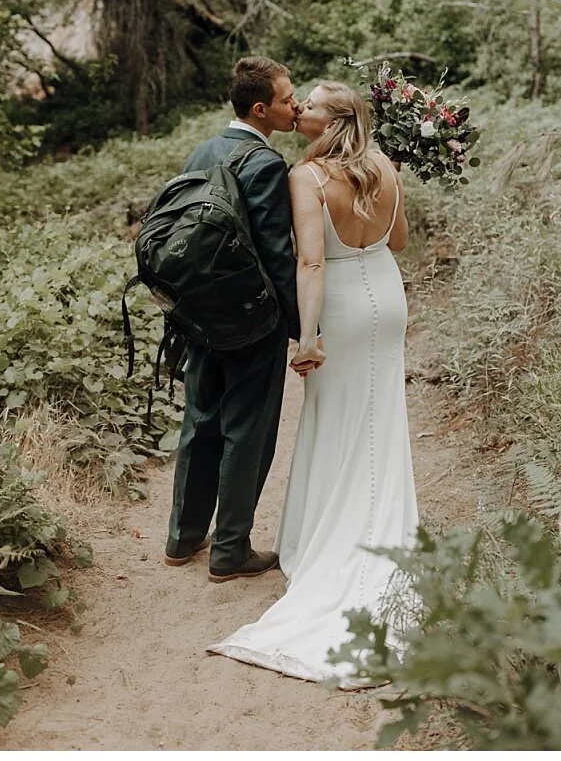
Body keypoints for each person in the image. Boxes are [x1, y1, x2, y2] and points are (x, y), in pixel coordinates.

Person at [208, 80, 418, 684]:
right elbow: (397, 242)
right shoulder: (383, 164)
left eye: (311, 104)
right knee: (379, 418)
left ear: (336, 119)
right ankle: (379, 525)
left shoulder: (307, 177)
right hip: (387, 297)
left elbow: (311, 261)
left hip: (345, 308)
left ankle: (335, 540)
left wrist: (306, 336)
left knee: (335, 418)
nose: (298, 108)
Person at [165, 56, 304, 582]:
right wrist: (297, 326)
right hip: (251, 322)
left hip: (200, 313)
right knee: (247, 431)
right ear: (262, 108)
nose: (296, 106)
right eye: (289, 99)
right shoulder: (266, 164)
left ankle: (182, 538)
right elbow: (276, 255)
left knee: (200, 420)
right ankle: (230, 550)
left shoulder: (203, 149)